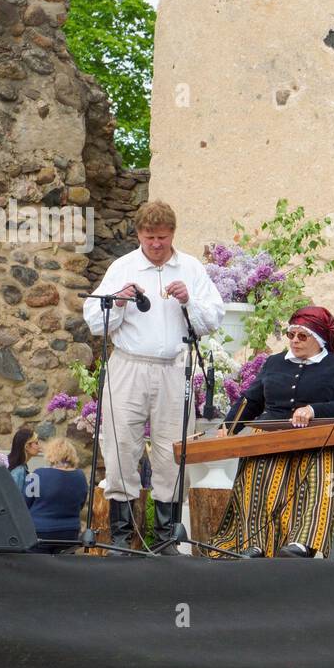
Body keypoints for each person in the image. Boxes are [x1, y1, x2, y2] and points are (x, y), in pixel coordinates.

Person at [83, 200, 225, 553]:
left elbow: (213, 318)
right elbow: (94, 320)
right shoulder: (123, 266)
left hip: (174, 366)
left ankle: (165, 540)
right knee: (119, 448)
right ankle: (121, 538)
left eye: (162, 237)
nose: (156, 245)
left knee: (171, 452)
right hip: (128, 364)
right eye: (149, 238)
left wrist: (189, 300)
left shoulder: (190, 268)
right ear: (139, 235)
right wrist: (117, 301)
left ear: (173, 234)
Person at [211, 306, 334, 558]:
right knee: (256, 474)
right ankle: (254, 544)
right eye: (291, 334)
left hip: (322, 440)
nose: (294, 341)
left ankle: (302, 544)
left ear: (320, 339)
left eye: (303, 336)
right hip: (272, 435)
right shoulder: (274, 363)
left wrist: (313, 410)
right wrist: (228, 427)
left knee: (325, 475)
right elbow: (251, 400)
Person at [25, 438, 89, 553]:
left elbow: (25, 504)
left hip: (40, 531)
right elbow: (81, 504)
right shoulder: (81, 476)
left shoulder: (37, 474)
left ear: (51, 454)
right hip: (69, 532)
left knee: (35, 567)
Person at [7, 426, 39, 497]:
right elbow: (15, 499)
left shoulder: (20, 467)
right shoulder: (19, 471)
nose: (38, 446)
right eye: (36, 443)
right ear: (27, 447)